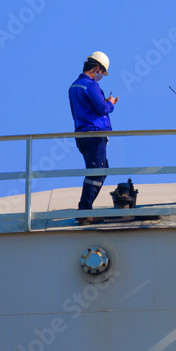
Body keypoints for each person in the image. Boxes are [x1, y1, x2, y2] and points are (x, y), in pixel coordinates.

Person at [68, 51, 118, 225]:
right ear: (97, 68)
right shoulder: (90, 86)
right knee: (97, 171)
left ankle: (85, 208)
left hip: (81, 134)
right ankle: (85, 210)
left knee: (99, 169)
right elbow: (102, 108)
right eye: (101, 73)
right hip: (94, 134)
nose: (101, 76)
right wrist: (110, 102)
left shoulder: (74, 86)